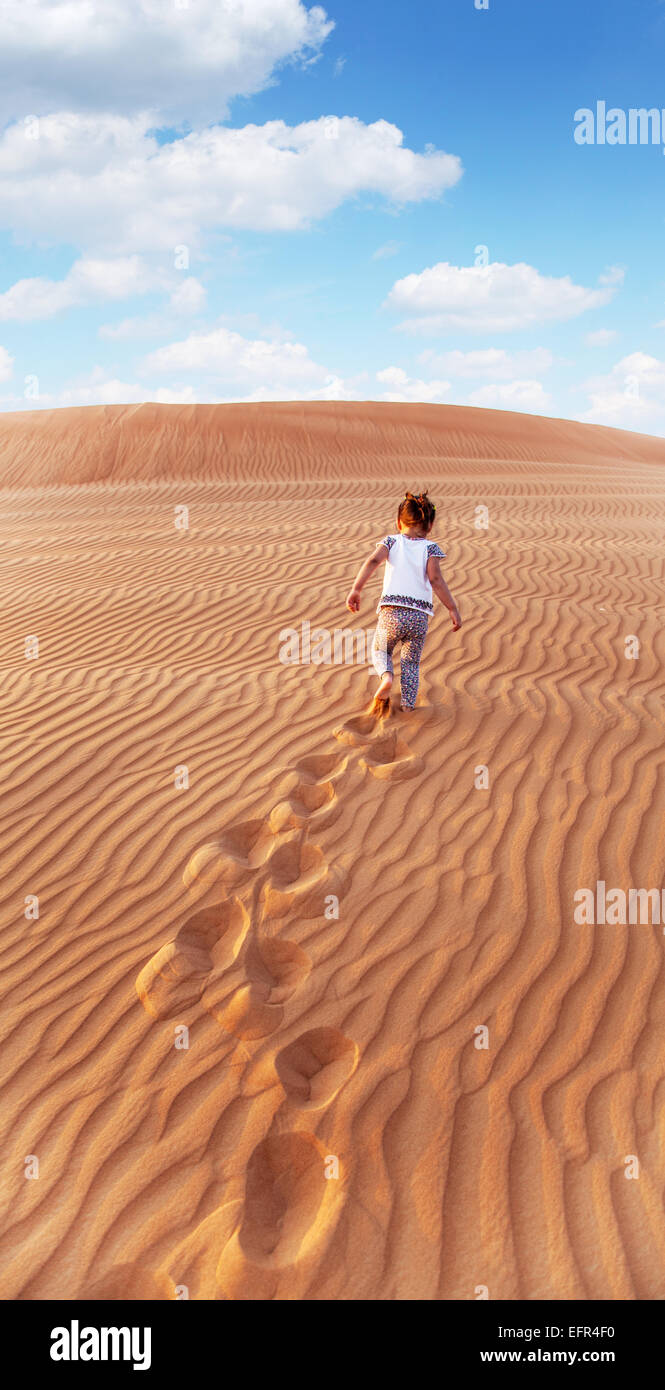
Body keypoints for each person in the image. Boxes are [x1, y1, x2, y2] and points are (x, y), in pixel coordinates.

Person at [345, 490, 461, 716]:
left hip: (391, 613)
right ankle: (408, 705)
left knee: (380, 649)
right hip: (419, 617)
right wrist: (452, 608)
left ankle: (387, 677)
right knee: (410, 663)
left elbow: (373, 560)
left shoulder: (391, 541)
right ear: (430, 525)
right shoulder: (431, 548)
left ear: (398, 522)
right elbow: (436, 579)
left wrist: (356, 589)